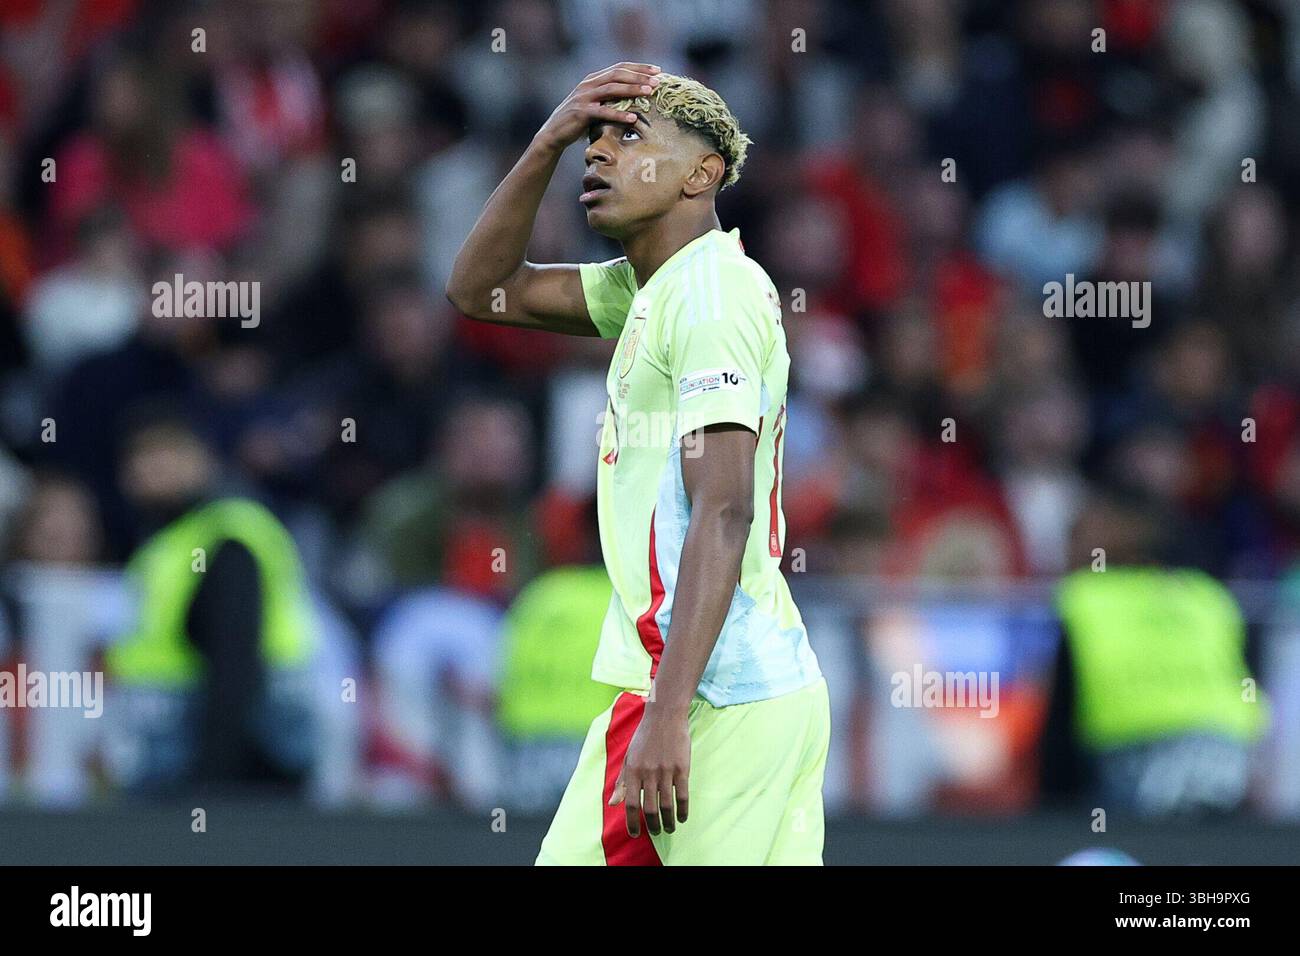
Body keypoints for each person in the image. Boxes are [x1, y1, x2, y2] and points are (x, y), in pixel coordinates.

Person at [447, 64, 828, 865]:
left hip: (718, 699)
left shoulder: (712, 298)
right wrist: (547, 140)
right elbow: (481, 291)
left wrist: (670, 711)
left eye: (629, 137)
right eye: (592, 140)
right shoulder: (652, 289)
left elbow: (725, 509)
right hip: (687, 692)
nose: (599, 156)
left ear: (702, 173)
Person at [105, 411, 316, 793]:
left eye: (167, 454)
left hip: (242, 753)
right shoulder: (168, 541)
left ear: (204, 460)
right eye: (140, 458)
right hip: (178, 741)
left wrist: (209, 782)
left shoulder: (227, 536)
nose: (151, 469)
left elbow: (233, 665)